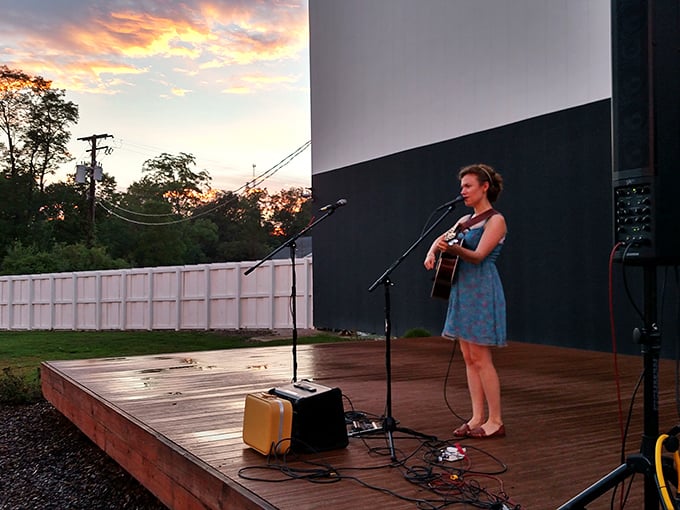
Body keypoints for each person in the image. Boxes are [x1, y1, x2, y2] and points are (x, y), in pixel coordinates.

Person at [423, 163, 507, 439]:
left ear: (485, 187)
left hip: (482, 289)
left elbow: (479, 255)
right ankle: (476, 417)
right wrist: (431, 253)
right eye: (461, 187)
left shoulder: (496, 220)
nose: (463, 191)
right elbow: (439, 239)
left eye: (468, 186)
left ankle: (495, 421)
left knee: (482, 358)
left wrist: (454, 248)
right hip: (462, 289)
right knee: (469, 358)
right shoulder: (464, 220)